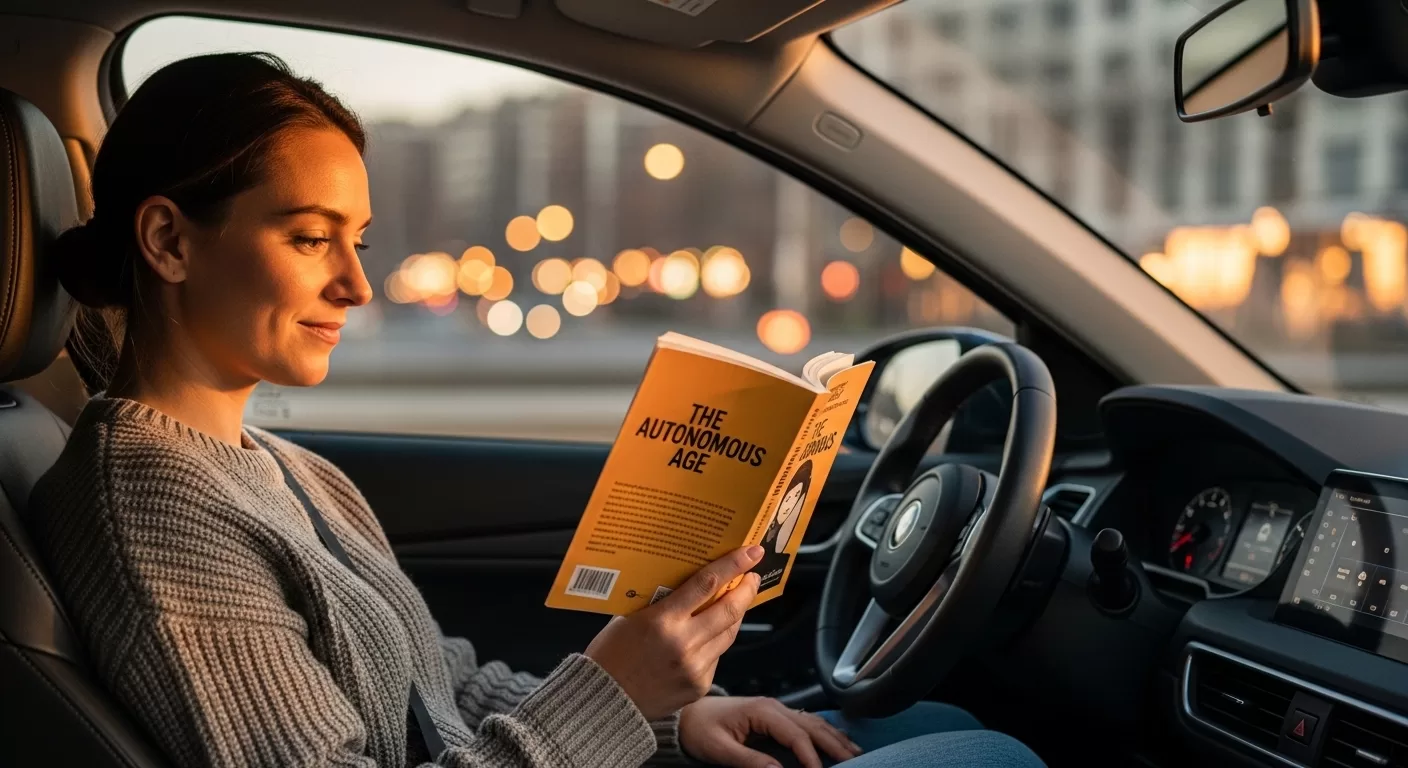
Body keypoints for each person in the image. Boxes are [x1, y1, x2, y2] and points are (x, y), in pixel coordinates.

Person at [29, 52, 1044, 768]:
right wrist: (613, 693)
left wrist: (671, 725)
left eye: (361, 243)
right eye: (308, 239)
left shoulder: (277, 467)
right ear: (168, 241)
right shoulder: (150, 507)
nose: (356, 287)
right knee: (988, 751)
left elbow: (444, 692)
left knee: (929, 720)